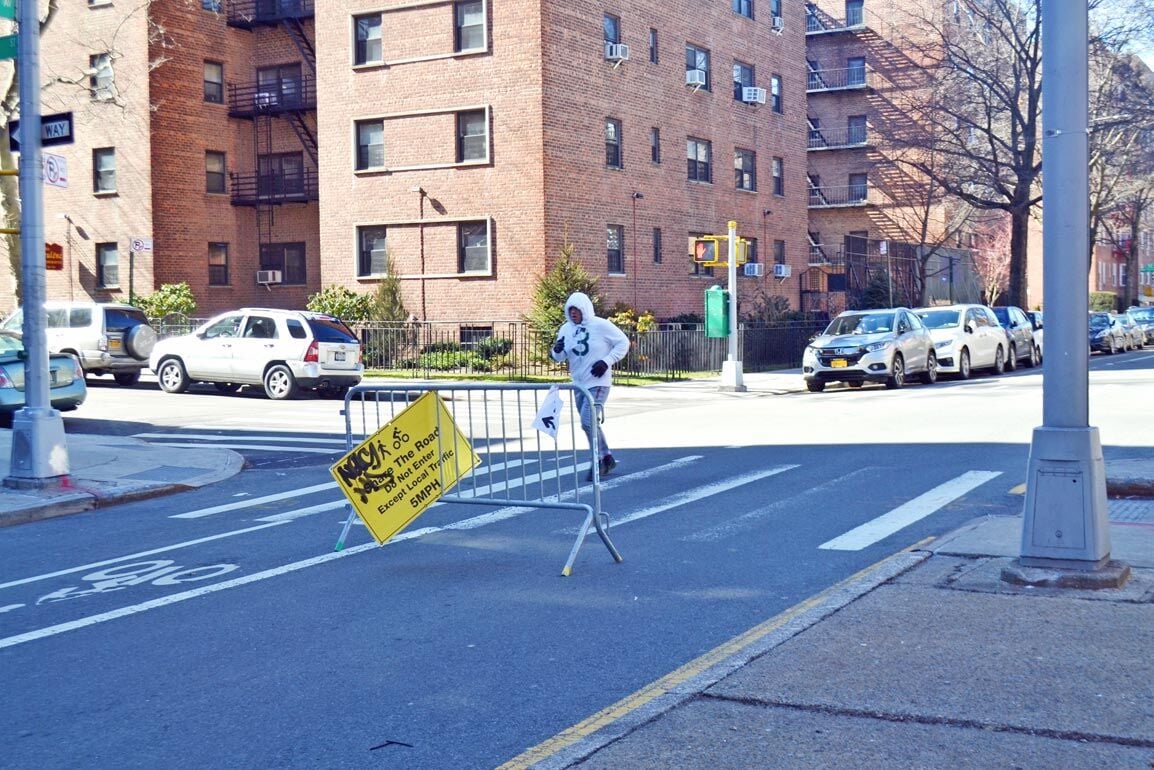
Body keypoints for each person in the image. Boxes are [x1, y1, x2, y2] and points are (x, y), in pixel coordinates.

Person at [550, 292, 630, 481]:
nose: (574, 314)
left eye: (577, 310)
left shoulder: (600, 325)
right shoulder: (566, 329)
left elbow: (623, 342)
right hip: (579, 384)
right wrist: (556, 350)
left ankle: (599, 460)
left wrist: (606, 361)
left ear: (584, 309)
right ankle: (607, 456)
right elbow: (560, 356)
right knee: (590, 424)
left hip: (598, 382)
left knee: (587, 421)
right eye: (571, 311)